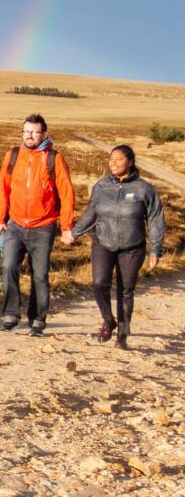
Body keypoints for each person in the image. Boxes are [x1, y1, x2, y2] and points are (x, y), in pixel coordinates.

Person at [65, 145, 164, 349]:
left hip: (132, 247)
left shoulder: (144, 189)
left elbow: (155, 219)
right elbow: (91, 213)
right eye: (111, 159)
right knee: (99, 283)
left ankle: (123, 335)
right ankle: (108, 320)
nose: (114, 163)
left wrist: (156, 249)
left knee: (125, 290)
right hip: (103, 242)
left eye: (119, 159)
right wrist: (74, 233)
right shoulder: (101, 186)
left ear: (130, 162)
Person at [0, 113, 75, 336]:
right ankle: (10, 316)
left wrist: (66, 226)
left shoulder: (54, 158)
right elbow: (3, 188)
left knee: (40, 275)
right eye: (26, 131)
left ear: (44, 134)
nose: (29, 135)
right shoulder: (13, 155)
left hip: (43, 226)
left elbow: (67, 193)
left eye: (35, 132)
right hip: (15, 224)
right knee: (8, 267)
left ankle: (37, 321)